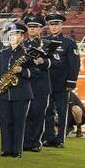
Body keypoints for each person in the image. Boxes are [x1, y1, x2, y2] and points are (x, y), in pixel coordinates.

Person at [0, 23, 33, 157]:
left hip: (21, 92)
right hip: (3, 92)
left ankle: (17, 151)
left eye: (15, 34)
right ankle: (6, 149)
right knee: (4, 121)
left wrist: (23, 71)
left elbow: (38, 72)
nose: (12, 37)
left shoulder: (28, 53)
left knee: (19, 122)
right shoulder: (3, 52)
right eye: (10, 34)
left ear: (22, 37)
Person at [43, 13, 79, 148]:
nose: (54, 27)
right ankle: (49, 137)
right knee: (47, 112)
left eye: (56, 24)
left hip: (62, 83)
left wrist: (71, 82)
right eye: (51, 24)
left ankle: (61, 139)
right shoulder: (44, 42)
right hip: (46, 83)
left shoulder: (69, 43)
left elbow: (74, 64)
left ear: (61, 25)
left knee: (62, 112)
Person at [21, 16, 52, 152]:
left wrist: (43, 62)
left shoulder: (47, 44)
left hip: (41, 85)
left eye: (35, 26)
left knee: (38, 114)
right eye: (30, 26)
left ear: (40, 28)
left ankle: (35, 142)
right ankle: (25, 142)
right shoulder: (22, 44)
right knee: (25, 114)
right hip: (25, 83)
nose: (32, 29)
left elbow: (56, 62)